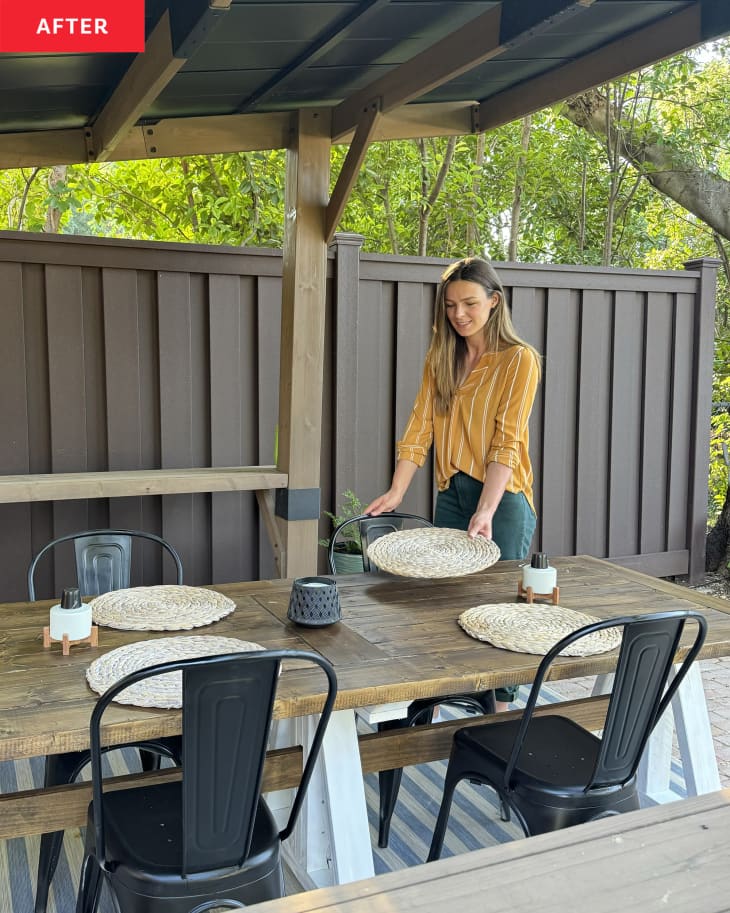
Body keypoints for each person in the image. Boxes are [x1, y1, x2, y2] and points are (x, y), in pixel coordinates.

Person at [365, 256, 541, 710]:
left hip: (502, 500)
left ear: (494, 302)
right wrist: (397, 490)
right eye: (450, 306)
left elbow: (507, 441)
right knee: (443, 602)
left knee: (499, 606)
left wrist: (485, 509)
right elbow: (419, 428)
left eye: (469, 303)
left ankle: (499, 712)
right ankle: (440, 698)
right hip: (451, 493)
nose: (459, 314)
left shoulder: (519, 361)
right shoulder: (441, 357)